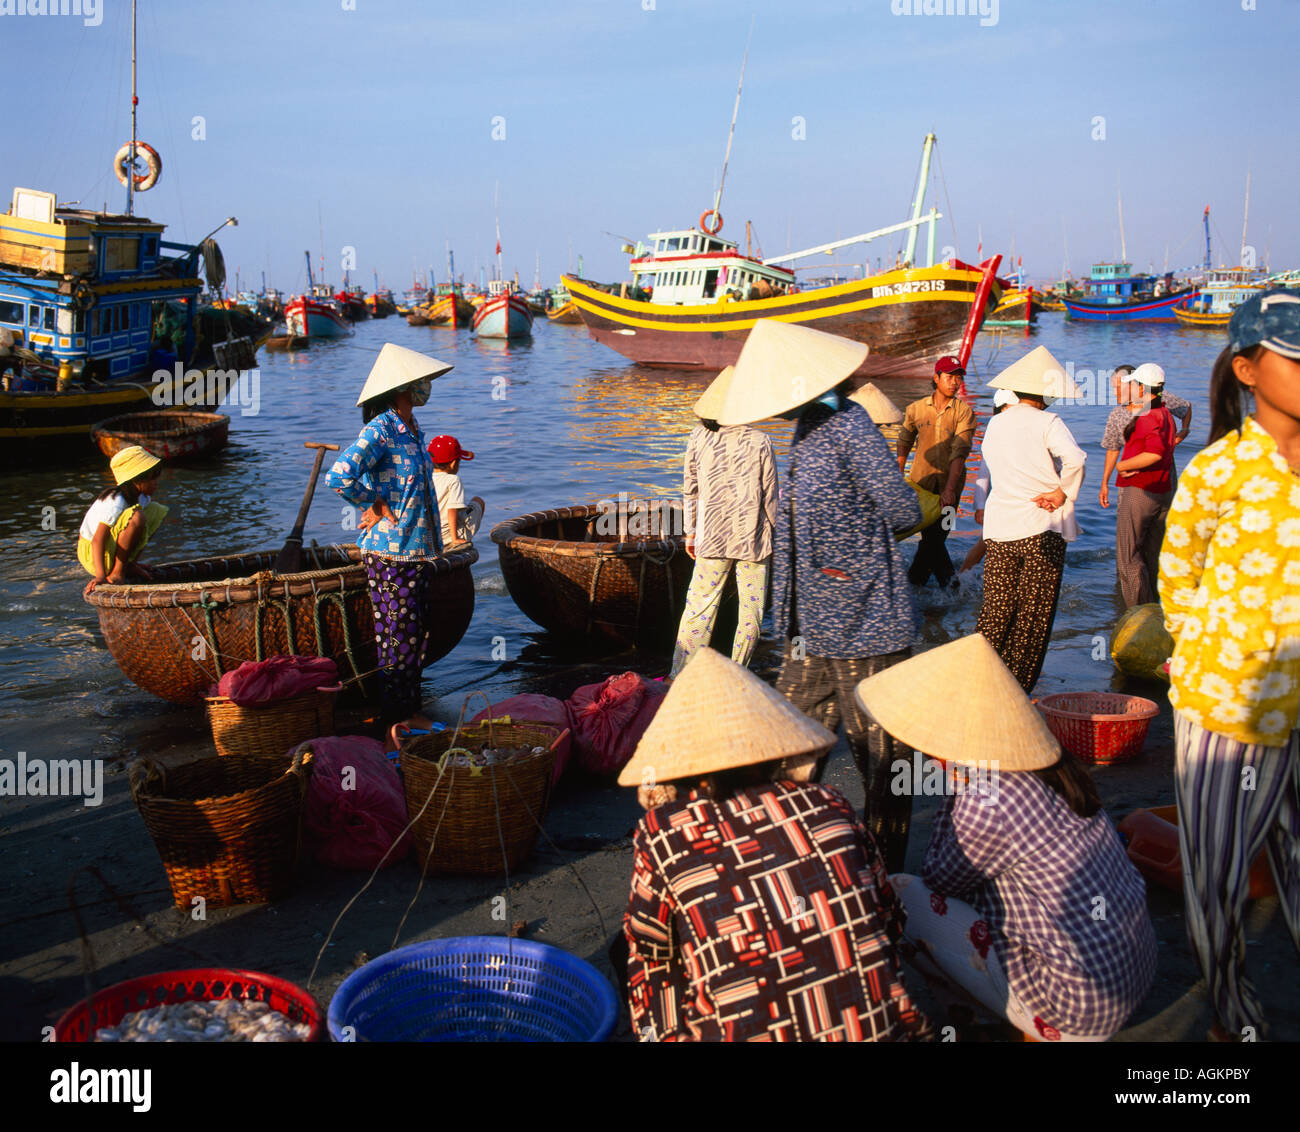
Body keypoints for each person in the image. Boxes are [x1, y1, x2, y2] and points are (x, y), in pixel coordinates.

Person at [618, 646, 933, 1042]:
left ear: (689, 773)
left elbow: (652, 945)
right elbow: (889, 918)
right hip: (882, 1032)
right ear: (772, 753)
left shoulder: (664, 830)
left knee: (643, 956)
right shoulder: (829, 802)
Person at [855, 634, 1158, 1041]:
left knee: (901, 895)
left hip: (1076, 1008)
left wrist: (953, 782)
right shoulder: (1052, 764)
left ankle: (978, 1019)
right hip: (1128, 972)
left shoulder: (988, 797)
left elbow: (941, 880)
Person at [715, 319, 922, 873]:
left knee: (883, 759)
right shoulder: (813, 426)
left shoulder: (846, 425)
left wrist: (849, 556)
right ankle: (783, 855)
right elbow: (897, 510)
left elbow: (898, 508)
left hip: (864, 620)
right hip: (814, 624)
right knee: (790, 741)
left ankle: (885, 874)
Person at [1157, 288, 1300, 1042]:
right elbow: (1177, 578)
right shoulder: (1217, 471)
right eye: (1294, 358)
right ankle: (1233, 1021)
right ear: (1247, 368)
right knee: (1213, 887)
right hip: (1225, 710)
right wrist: (1208, 659)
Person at [326, 343, 454, 724]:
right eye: (422, 381)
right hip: (391, 553)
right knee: (397, 639)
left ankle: (408, 713)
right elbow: (339, 475)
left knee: (416, 636)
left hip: (419, 551)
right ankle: (395, 722)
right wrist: (375, 503)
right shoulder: (381, 428)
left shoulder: (413, 430)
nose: (427, 387)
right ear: (402, 387)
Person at [975, 346, 1087, 694]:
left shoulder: (995, 423)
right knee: (1032, 618)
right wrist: (1061, 493)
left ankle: (979, 682)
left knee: (996, 612)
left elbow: (988, 471)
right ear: (1046, 393)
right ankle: (1015, 693)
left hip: (1001, 529)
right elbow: (1076, 460)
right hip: (1041, 527)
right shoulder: (1048, 422)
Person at [670, 365, 777, 677]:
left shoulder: (698, 437)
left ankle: (680, 675)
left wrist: (691, 532)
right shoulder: (760, 441)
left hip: (711, 537)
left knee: (699, 609)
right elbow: (770, 498)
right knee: (751, 612)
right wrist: (778, 535)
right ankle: (738, 673)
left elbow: (690, 489)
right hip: (752, 540)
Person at [897, 355, 977, 588]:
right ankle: (937, 589)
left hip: (951, 490)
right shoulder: (916, 409)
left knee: (938, 537)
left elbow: (959, 453)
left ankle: (932, 586)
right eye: (950, 377)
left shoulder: (964, 412)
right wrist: (897, 474)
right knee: (929, 539)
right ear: (936, 378)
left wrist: (950, 490)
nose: (954, 382)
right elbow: (904, 440)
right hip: (920, 486)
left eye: (958, 378)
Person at [1109, 363, 1177, 607]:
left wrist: (1122, 466)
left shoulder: (1148, 415)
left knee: (1128, 556)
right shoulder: (1165, 413)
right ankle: (1154, 608)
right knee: (1150, 553)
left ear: (1141, 387)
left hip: (1141, 491)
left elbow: (1156, 453)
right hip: (1163, 490)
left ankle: (1136, 614)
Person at [1099, 363, 1191, 505]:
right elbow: (1112, 450)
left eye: (1117, 388)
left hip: (1164, 479)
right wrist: (1104, 483)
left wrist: (1183, 432)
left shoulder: (1158, 400)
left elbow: (1186, 406)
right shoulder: (1117, 415)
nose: (1114, 392)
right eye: (1113, 388)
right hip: (1133, 483)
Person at [79, 445, 168, 593]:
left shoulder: (143, 498)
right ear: (136, 479)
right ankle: (117, 572)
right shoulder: (116, 501)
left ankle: (129, 564)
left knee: (157, 511)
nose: (156, 482)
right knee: (137, 517)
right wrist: (100, 577)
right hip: (94, 556)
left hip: (108, 549)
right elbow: (98, 540)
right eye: (152, 478)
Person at [959, 389, 1017, 575]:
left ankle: (963, 578)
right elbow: (984, 471)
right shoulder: (997, 430)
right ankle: (963, 578)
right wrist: (980, 506)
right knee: (989, 542)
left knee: (990, 542)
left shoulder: (1014, 429)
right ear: (1002, 409)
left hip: (1011, 498)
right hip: (1001, 499)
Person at [427, 434, 485, 549]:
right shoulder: (453, 480)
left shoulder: (425, 478)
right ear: (453, 463)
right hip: (447, 537)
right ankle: (461, 536)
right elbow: (452, 509)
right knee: (478, 501)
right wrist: (454, 539)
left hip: (430, 536)